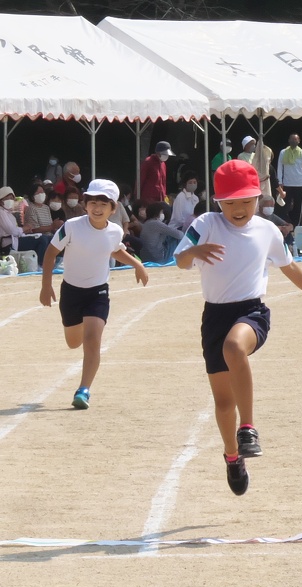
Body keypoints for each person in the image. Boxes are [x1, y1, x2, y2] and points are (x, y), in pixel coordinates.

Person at [173, 160, 302, 495]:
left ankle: (248, 428)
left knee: (235, 347)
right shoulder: (206, 223)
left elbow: (289, 265)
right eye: (230, 202)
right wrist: (194, 249)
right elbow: (180, 260)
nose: (238, 209)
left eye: (246, 201)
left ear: (258, 198)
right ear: (219, 202)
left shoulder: (267, 229)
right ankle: (232, 457)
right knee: (223, 403)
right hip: (215, 317)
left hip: (252, 312)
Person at [39, 179, 149, 410]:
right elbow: (50, 253)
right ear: (85, 204)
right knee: (73, 342)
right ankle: (75, 332)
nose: (97, 208)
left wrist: (137, 264)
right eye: (92, 203)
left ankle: (83, 390)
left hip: (98, 292)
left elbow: (115, 250)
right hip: (70, 291)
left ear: (113, 208)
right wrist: (46, 285)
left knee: (92, 339)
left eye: (103, 203)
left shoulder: (115, 230)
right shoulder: (72, 226)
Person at [0, 186, 49, 261]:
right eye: (6, 198)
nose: (9, 200)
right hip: (10, 243)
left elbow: (16, 231)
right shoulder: (1, 212)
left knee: (47, 238)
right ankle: (40, 265)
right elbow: (12, 231)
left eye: (11, 198)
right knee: (42, 240)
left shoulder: (9, 214)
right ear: (1, 200)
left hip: (17, 239)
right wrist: (24, 228)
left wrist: (26, 231)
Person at [276, 134, 302, 227]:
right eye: (292, 139)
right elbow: (280, 167)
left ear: (299, 141)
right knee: (284, 206)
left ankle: (296, 226)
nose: (293, 141)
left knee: (298, 207)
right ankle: (284, 224)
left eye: (295, 139)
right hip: (286, 183)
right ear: (288, 140)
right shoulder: (283, 152)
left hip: (299, 183)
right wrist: (279, 181)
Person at [139, 141, 174, 206]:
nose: (166, 156)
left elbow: (163, 182)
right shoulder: (148, 162)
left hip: (160, 198)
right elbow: (140, 179)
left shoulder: (163, 164)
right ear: (158, 153)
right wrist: (137, 195)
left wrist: (164, 196)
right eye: (164, 154)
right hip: (148, 199)